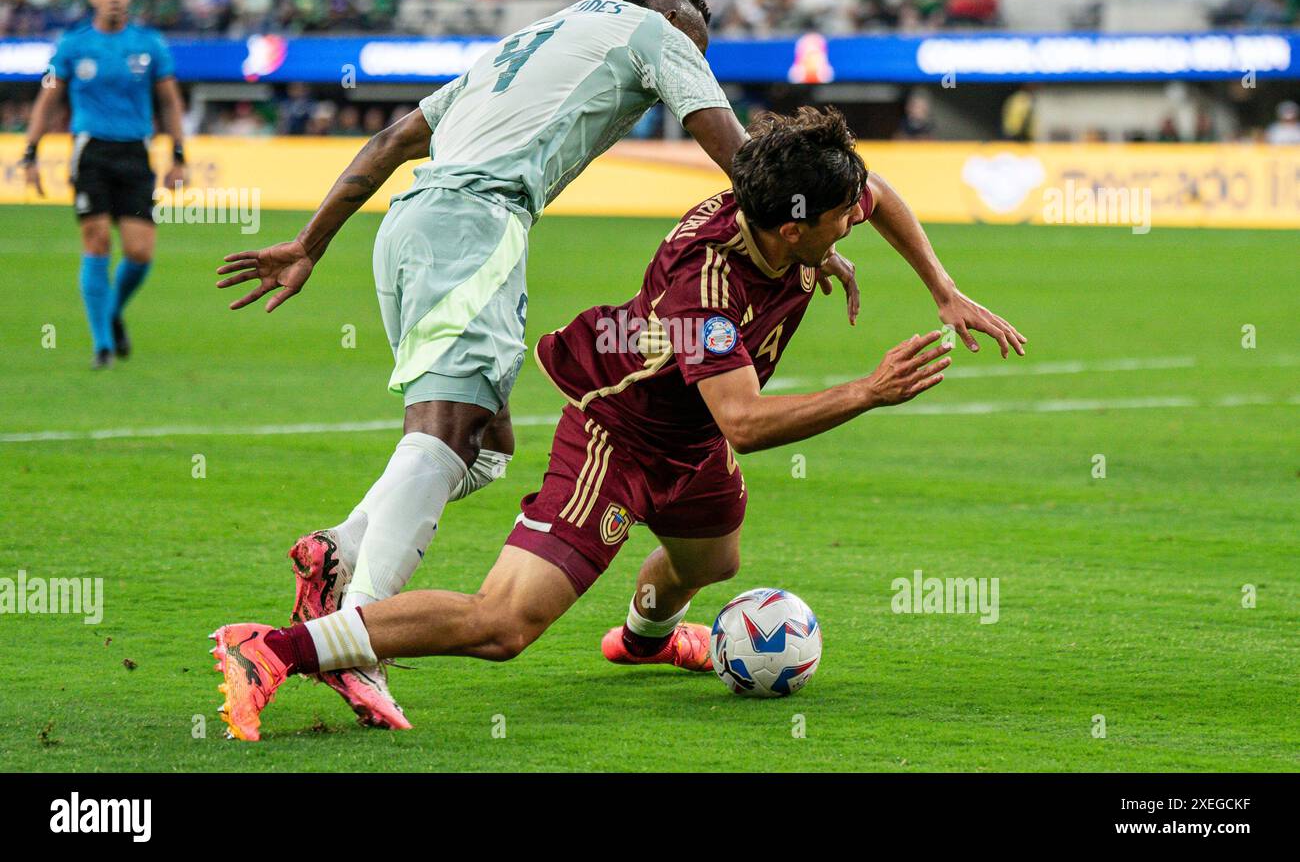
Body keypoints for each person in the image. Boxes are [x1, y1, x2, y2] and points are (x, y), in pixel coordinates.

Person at [208, 107, 1027, 741]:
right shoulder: (707, 289)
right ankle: (278, 649)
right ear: (790, 229)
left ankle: (642, 640)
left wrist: (943, 289)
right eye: (840, 221)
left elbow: (881, 199)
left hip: (690, 437)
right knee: (504, 625)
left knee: (713, 558)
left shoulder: (792, 209)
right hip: (619, 439)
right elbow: (742, 421)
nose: (856, 223)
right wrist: (868, 392)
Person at [22, 0, 186, 368]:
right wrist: (31, 153)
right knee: (96, 241)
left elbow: (169, 102)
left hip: (135, 154)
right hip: (90, 151)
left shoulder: (149, 44)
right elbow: (48, 101)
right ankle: (103, 347)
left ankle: (110, 312)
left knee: (140, 251)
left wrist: (178, 155)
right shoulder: (72, 45)